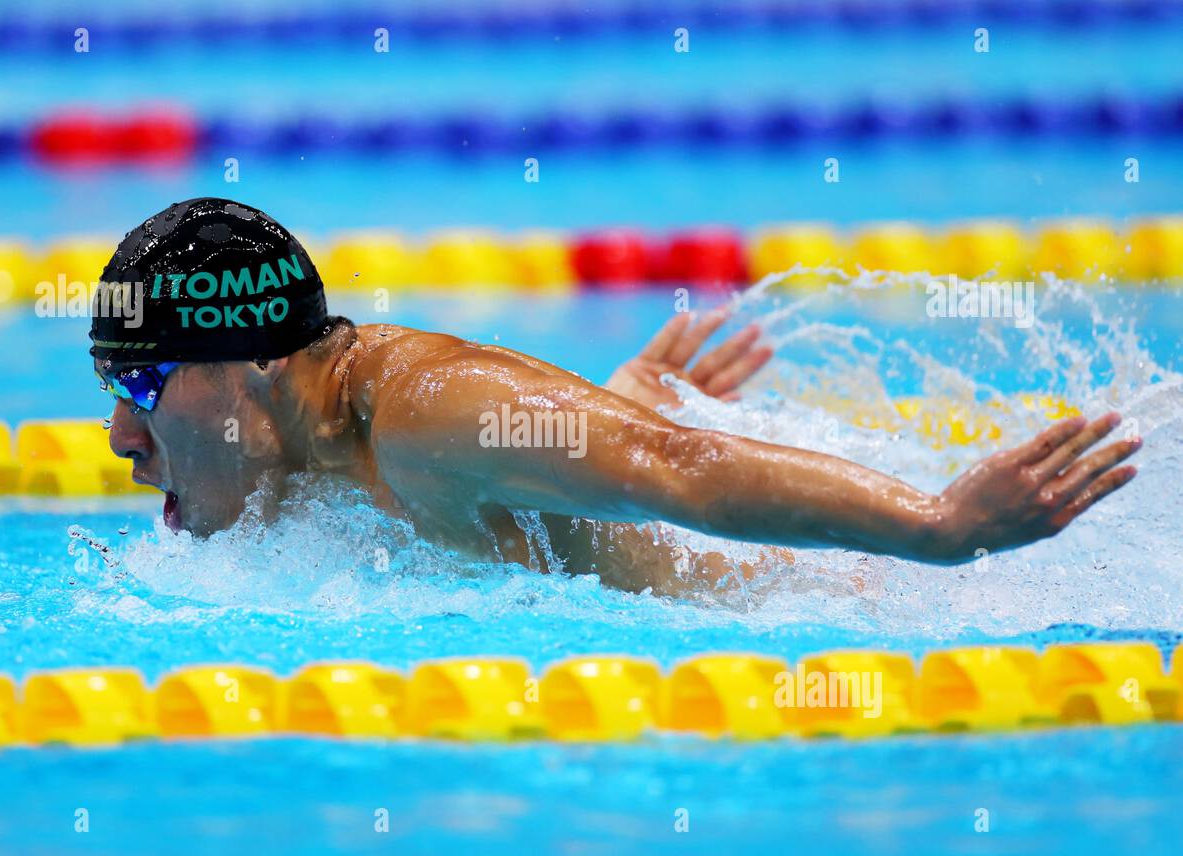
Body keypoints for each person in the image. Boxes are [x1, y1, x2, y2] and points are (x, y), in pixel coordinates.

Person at [92, 198, 1140, 596]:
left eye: (140, 385)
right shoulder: (310, 446)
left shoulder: (420, 412)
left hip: (839, 606)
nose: (119, 437)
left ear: (259, 360)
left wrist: (938, 525)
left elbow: (678, 469)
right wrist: (597, 411)